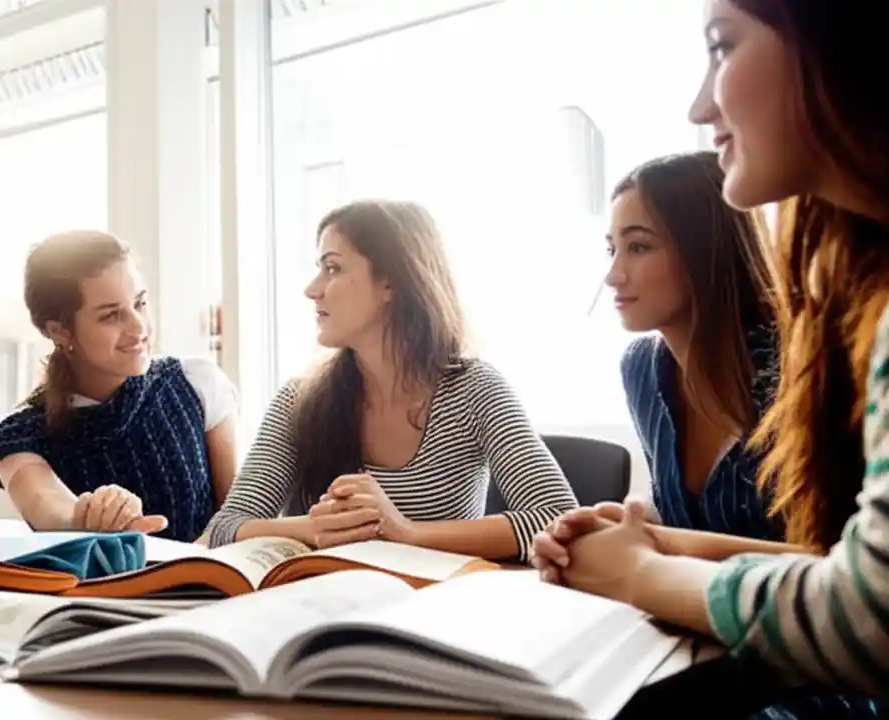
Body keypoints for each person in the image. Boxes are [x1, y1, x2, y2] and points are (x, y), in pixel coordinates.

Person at [532, 0, 889, 707]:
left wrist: (641, 570)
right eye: (614, 249)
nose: (700, 105)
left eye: (722, 47)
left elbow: (861, 606)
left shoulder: (807, 360)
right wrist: (646, 543)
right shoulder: (644, 371)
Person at [203, 200, 577, 561]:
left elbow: (556, 518)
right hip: (326, 610)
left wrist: (406, 533)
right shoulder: (298, 400)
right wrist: (313, 527)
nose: (312, 288)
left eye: (332, 269)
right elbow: (225, 528)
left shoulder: (475, 391)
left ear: (391, 284)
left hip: (435, 615)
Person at [0, 231, 237, 543]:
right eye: (112, 315)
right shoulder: (20, 439)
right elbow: (48, 509)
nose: (138, 327)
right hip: (96, 593)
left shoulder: (196, 383)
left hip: (214, 587)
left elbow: (236, 516)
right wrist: (91, 515)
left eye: (139, 303)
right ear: (60, 332)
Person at [610, 151, 785, 542]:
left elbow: (831, 558)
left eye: (638, 247)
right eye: (612, 250)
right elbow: (689, 525)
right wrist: (629, 528)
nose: (613, 275)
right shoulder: (641, 370)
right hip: (687, 604)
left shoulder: (796, 367)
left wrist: (655, 551)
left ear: (703, 246)